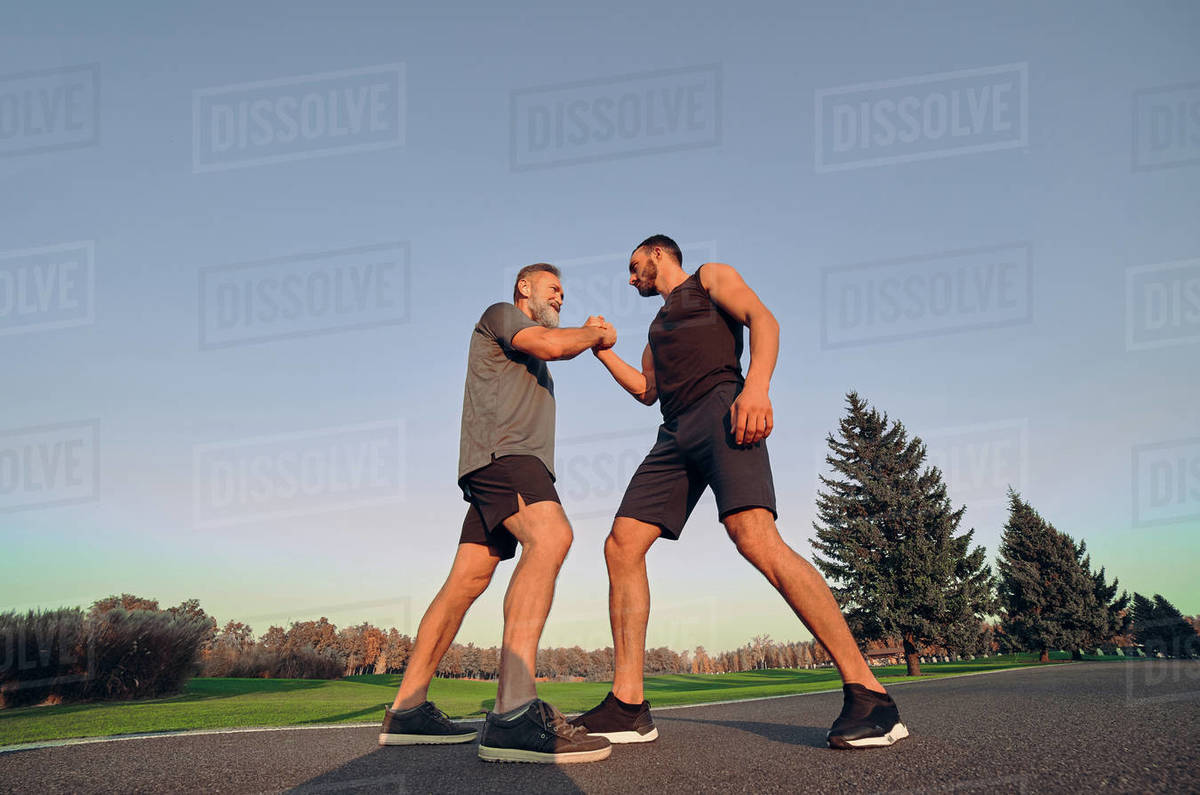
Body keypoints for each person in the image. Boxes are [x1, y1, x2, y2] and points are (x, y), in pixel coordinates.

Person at [569, 235, 909, 750]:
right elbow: (646, 390)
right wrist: (600, 352)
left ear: (658, 253)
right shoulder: (654, 329)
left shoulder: (710, 277)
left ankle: (870, 694)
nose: (630, 276)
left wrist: (757, 386)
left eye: (634, 265)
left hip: (724, 408)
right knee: (621, 544)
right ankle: (629, 704)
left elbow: (763, 320)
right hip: (675, 431)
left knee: (754, 536)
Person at [378, 263, 615, 763]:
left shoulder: (533, 357)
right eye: (554, 288)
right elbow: (554, 344)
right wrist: (593, 334)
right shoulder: (502, 315)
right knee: (551, 539)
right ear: (524, 288)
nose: (561, 296)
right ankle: (512, 712)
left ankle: (407, 709)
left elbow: (556, 348)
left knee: (466, 579)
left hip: (498, 465)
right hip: (505, 459)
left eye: (564, 293)